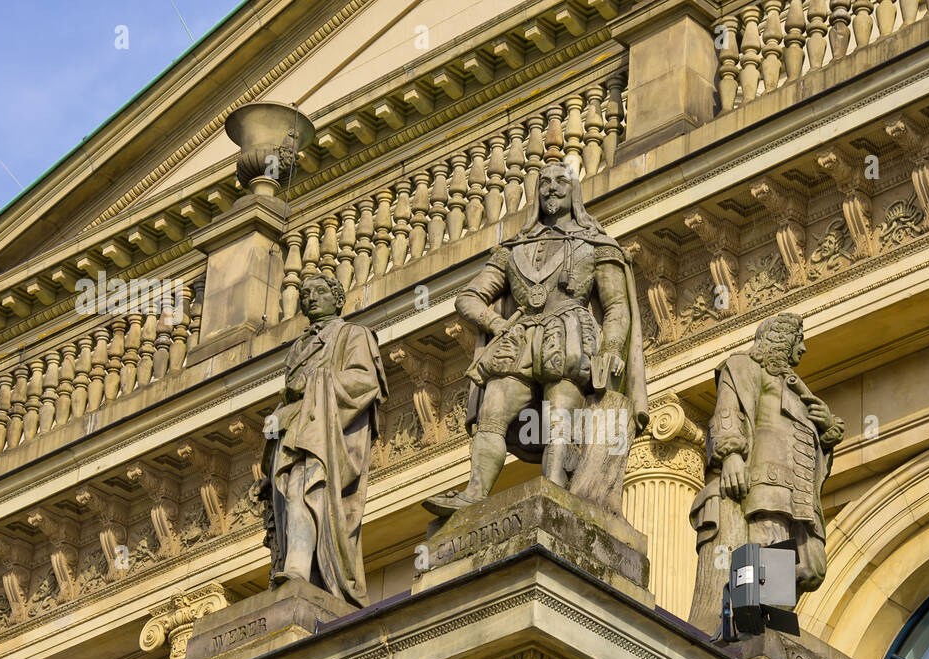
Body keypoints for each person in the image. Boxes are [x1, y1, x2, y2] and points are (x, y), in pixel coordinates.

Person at [423, 156, 647, 517]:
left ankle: (555, 491)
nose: (551, 188)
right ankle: (474, 493)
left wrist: (610, 350)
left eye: (560, 181)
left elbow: (618, 306)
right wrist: (495, 325)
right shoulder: (513, 250)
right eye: (544, 183)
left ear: (573, 191)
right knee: (492, 409)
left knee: (560, 420)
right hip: (520, 341)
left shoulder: (595, 244)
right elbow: (468, 297)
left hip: (570, 337)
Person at [688, 312, 844, 633]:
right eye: (798, 341)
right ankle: (758, 625)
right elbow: (729, 410)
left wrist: (827, 428)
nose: (802, 350)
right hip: (767, 483)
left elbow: (813, 443)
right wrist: (731, 455)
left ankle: (763, 618)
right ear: (783, 340)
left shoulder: (798, 389)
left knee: (812, 567)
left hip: (799, 492)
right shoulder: (745, 367)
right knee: (769, 548)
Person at [255, 272, 387, 605]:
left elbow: (364, 381)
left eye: (318, 292)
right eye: (304, 293)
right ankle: (296, 566)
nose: (310, 298)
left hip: (326, 428)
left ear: (338, 299)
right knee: (288, 491)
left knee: (305, 487)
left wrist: (318, 384)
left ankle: (298, 567)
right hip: (295, 425)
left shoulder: (353, 334)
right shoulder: (298, 347)